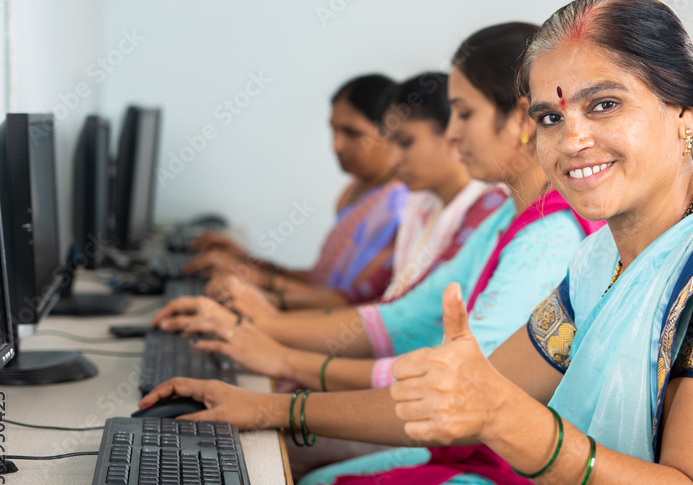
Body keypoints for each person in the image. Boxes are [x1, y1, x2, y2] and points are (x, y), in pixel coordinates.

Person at [143, 22, 604, 485]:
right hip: (471, 447)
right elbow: (398, 319)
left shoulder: (551, 235)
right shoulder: (505, 218)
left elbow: (460, 389)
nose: (452, 133)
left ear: (515, 118)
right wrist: (264, 339)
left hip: (521, 479)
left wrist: (278, 391)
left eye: (461, 113)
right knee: (290, 482)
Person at [214, 71, 509, 319]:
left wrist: (271, 313)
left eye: (404, 142)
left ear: (453, 134)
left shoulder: (411, 205)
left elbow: (386, 313)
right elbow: (368, 297)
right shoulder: (423, 206)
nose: (336, 145)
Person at [189, 74, 409, 307]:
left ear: (392, 134)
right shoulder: (355, 191)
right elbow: (322, 281)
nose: (336, 145)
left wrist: (264, 284)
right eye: (333, 130)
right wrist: (250, 263)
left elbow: (351, 302)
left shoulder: (399, 208)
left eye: (352, 133)